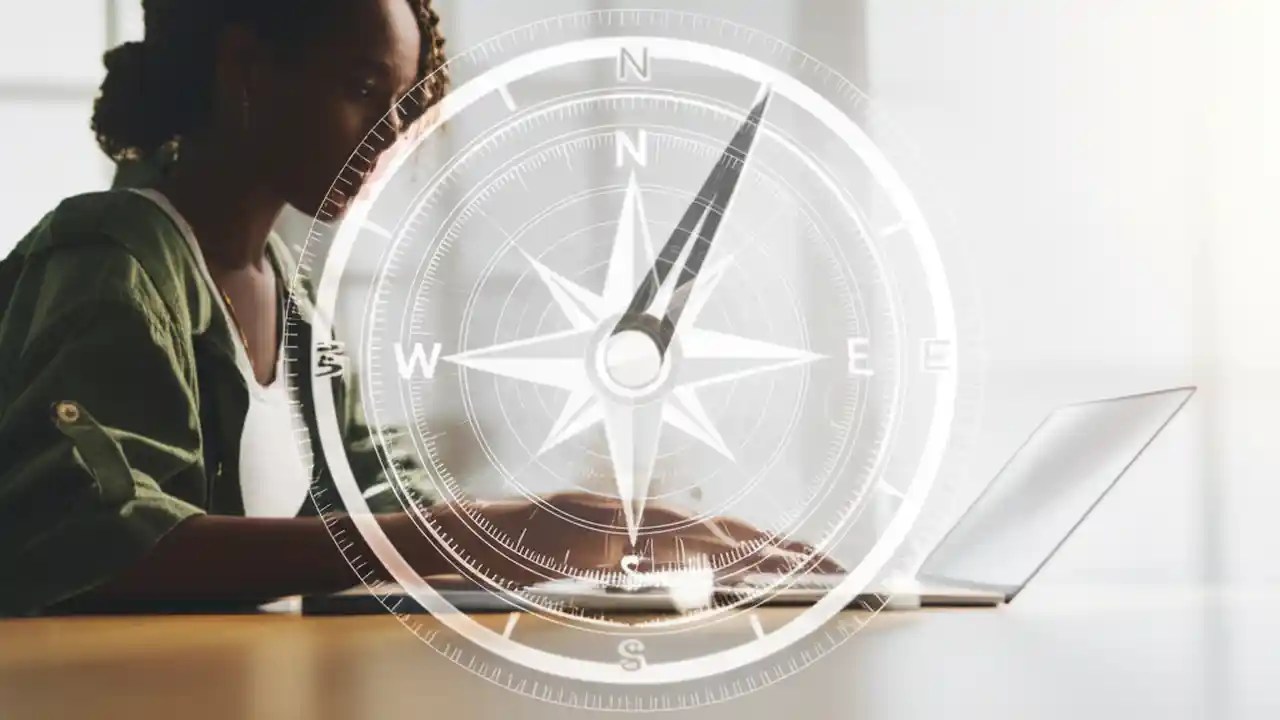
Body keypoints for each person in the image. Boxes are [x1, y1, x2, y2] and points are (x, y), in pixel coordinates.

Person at [0, 0, 830, 617]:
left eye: (406, 103)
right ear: (245, 68)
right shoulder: (113, 253)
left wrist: (605, 526)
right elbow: (86, 544)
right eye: (362, 88)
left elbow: (384, 502)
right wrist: (502, 532)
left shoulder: (290, 293)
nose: (390, 135)